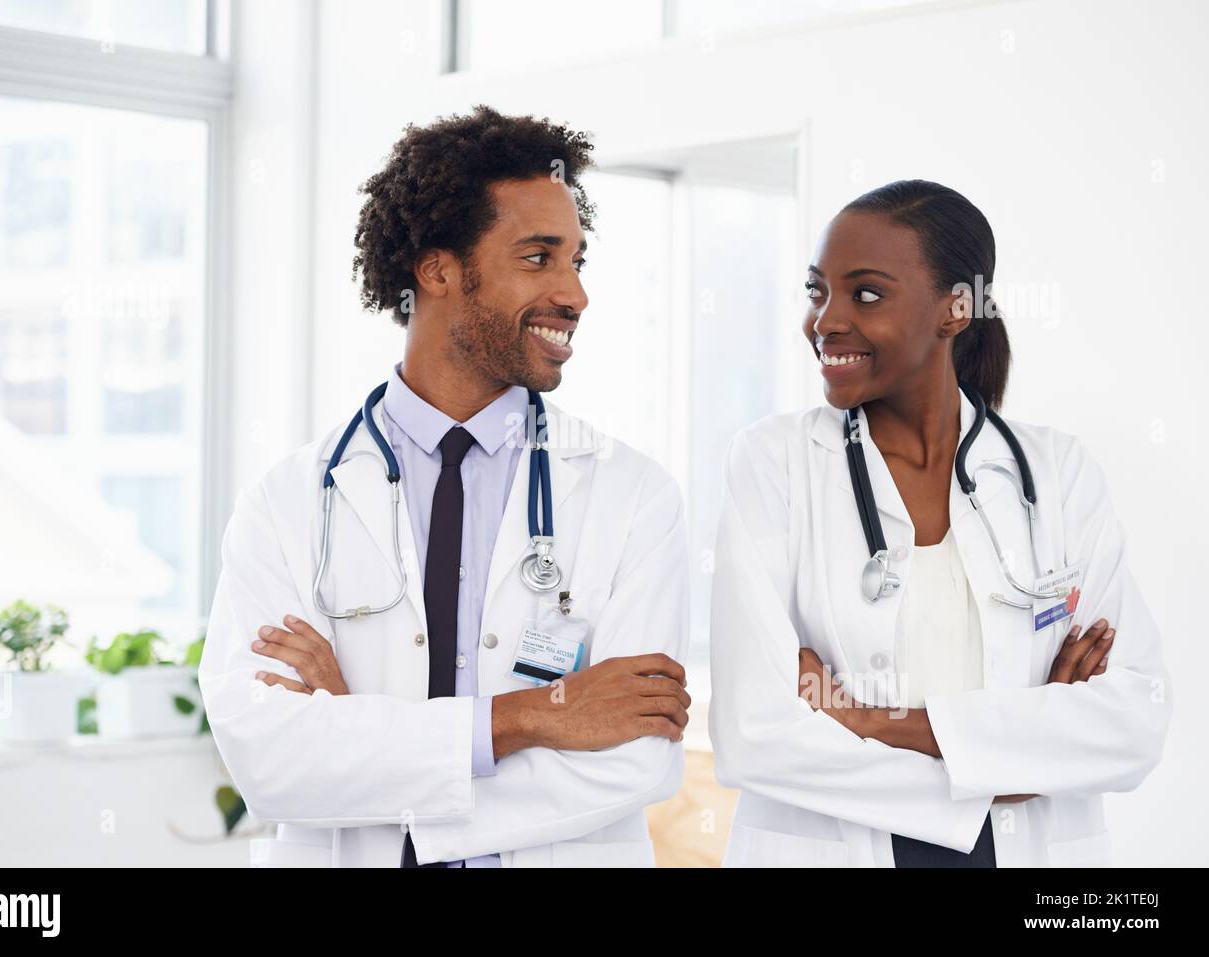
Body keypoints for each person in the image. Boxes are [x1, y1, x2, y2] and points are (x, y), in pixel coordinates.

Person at [198, 106, 690, 868]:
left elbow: (635, 757)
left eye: (576, 261)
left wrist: (363, 733)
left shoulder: (633, 497)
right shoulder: (287, 503)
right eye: (538, 258)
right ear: (438, 270)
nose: (574, 294)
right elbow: (270, 758)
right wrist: (538, 715)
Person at [708, 179, 1171, 867]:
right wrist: (1009, 765)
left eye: (865, 293)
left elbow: (1134, 718)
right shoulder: (773, 462)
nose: (825, 320)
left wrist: (864, 721)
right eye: (817, 291)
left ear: (956, 308)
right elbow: (754, 730)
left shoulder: (1056, 472)